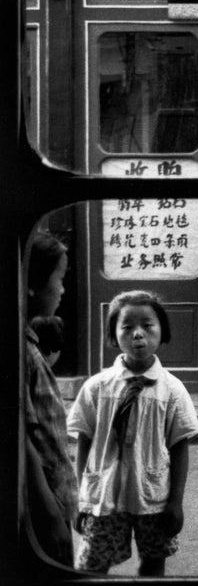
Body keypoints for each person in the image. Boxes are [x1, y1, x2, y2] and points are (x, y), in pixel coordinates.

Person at [67, 290, 198, 575]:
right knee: (92, 564)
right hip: (103, 494)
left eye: (147, 325)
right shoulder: (97, 387)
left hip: (152, 495)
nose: (137, 334)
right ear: (113, 335)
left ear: (161, 330)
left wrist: (176, 502)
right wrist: (82, 497)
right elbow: (84, 441)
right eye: (127, 327)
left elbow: (179, 446)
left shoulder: (172, 390)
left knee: (153, 563)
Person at [23, 232, 77, 568]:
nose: (62, 290)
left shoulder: (30, 344)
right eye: (59, 279)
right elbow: (24, 440)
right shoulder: (23, 353)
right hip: (43, 508)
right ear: (33, 285)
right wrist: (52, 513)